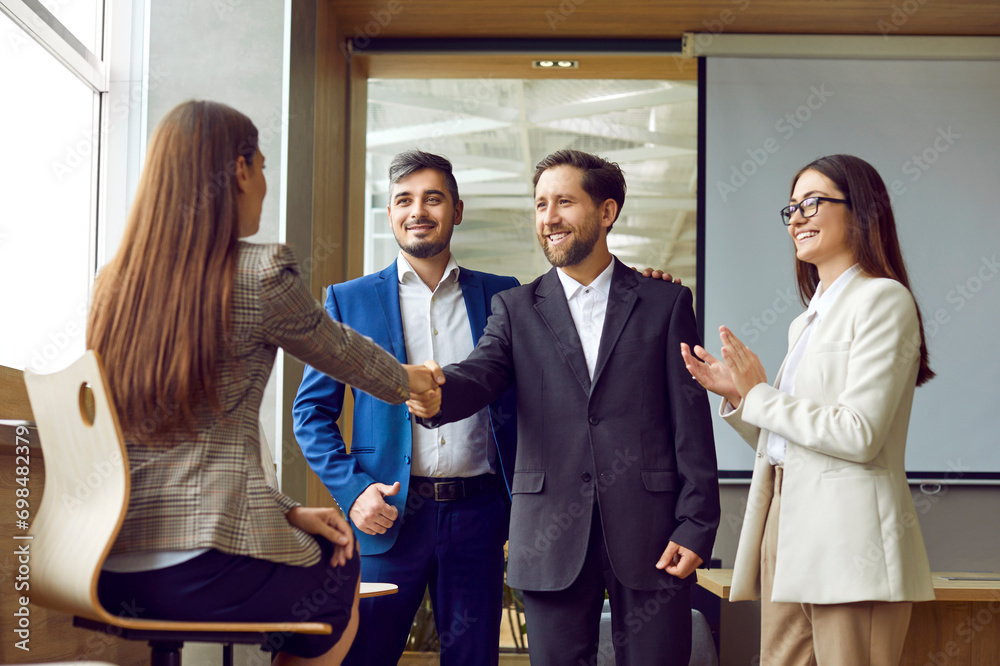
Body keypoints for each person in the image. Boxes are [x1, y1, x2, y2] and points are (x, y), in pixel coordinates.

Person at [86, 100, 441, 666]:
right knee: (340, 567)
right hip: (200, 564)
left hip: (100, 562)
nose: (266, 184)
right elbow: (343, 355)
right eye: (265, 166)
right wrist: (413, 379)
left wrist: (288, 512)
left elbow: (185, 447)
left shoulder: (112, 285)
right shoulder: (258, 272)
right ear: (241, 169)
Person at [409, 149, 720, 666]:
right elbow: (480, 374)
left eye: (564, 202)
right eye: (539, 205)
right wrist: (434, 392)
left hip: (653, 535)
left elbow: (692, 423)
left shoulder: (665, 303)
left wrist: (695, 523)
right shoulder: (514, 308)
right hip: (549, 533)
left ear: (606, 212)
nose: (548, 218)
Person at [681, 154, 935, 665]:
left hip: (849, 543)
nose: (796, 217)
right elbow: (794, 445)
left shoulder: (883, 300)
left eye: (813, 203)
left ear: (861, 212)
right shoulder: (805, 323)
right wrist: (739, 397)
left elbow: (858, 435)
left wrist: (760, 395)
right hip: (787, 529)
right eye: (792, 207)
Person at [292, 150, 519, 666]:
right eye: (404, 200)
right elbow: (310, 414)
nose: (418, 210)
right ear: (391, 213)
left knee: (473, 659)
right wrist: (354, 492)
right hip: (387, 515)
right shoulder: (348, 301)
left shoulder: (505, 297)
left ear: (456, 210)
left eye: (432, 198)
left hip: (480, 514)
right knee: (364, 655)